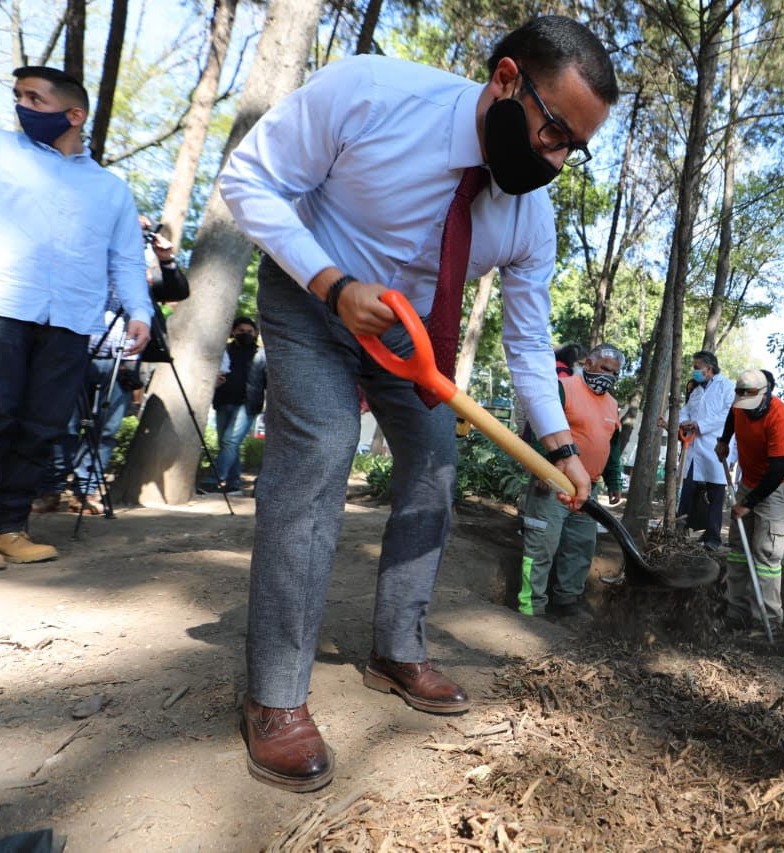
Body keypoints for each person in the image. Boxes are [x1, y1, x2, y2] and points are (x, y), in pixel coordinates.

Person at [217, 16, 616, 792]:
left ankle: (398, 648)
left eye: (577, 147)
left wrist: (562, 447)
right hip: (314, 291)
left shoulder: (531, 217)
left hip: (412, 342)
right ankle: (275, 696)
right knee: (324, 446)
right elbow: (247, 180)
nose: (558, 160)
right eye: (554, 132)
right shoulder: (370, 94)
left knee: (435, 459)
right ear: (506, 79)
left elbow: (530, 345)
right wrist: (332, 284)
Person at [0, 66, 150, 567]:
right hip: (4, 307)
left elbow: (125, 259)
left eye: (34, 99)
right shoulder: (0, 152)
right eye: (17, 97)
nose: (22, 107)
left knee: (41, 427)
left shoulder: (110, 190)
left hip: (71, 320)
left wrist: (139, 312)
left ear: (73, 113)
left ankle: (9, 529)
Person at [36, 214, 187, 515]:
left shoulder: (145, 270)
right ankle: (50, 490)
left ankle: (85, 492)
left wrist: (166, 260)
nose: (137, 233)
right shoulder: (90, 253)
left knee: (105, 430)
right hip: (78, 352)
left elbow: (177, 292)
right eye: (133, 227)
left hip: (123, 359)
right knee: (63, 425)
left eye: (143, 230)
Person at [518, 344, 624, 621]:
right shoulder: (563, 387)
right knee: (542, 545)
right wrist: (545, 469)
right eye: (605, 369)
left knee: (580, 547)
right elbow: (542, 426)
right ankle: (531, 607)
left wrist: (613, 481)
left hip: (588, 487)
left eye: (615, 373)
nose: (609, 377)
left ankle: (566, 601)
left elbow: (611, 447)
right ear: (588, 363)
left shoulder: (612, 404)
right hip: (554, 482)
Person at [715, 368, 784, 630]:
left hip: (778, 486)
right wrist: (724, 440)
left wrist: (747, 503)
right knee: (739, 549)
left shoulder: (782, 418)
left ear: (766, 394)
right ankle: (737, 611)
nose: (746, 408)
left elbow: (776, 471)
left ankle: (768, 620)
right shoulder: (741, 403)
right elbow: (732, 417)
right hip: (750, 481)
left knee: (765, 553)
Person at [660, 351, 734, 550]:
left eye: (696, 367)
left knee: (715, 493)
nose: (694, 371)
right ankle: (679, 532)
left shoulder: (726, 386)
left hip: (716, 445)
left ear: (709, 368)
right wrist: (674, 423)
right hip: (693, 447)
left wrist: (700, 424)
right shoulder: (696, 391)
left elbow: (729, 415)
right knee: (687, 489)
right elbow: (685, 412)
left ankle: (712, 538)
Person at [200, 317, 264, 496]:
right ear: (233, 332)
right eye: (241, 330)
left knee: (230, 441)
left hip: (247, 404)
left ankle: (213, 480)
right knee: (226, 444)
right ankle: (234, 484)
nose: (246, 334)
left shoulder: (261, 355)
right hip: (223, 401)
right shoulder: (223, 351)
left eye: (250, 331)